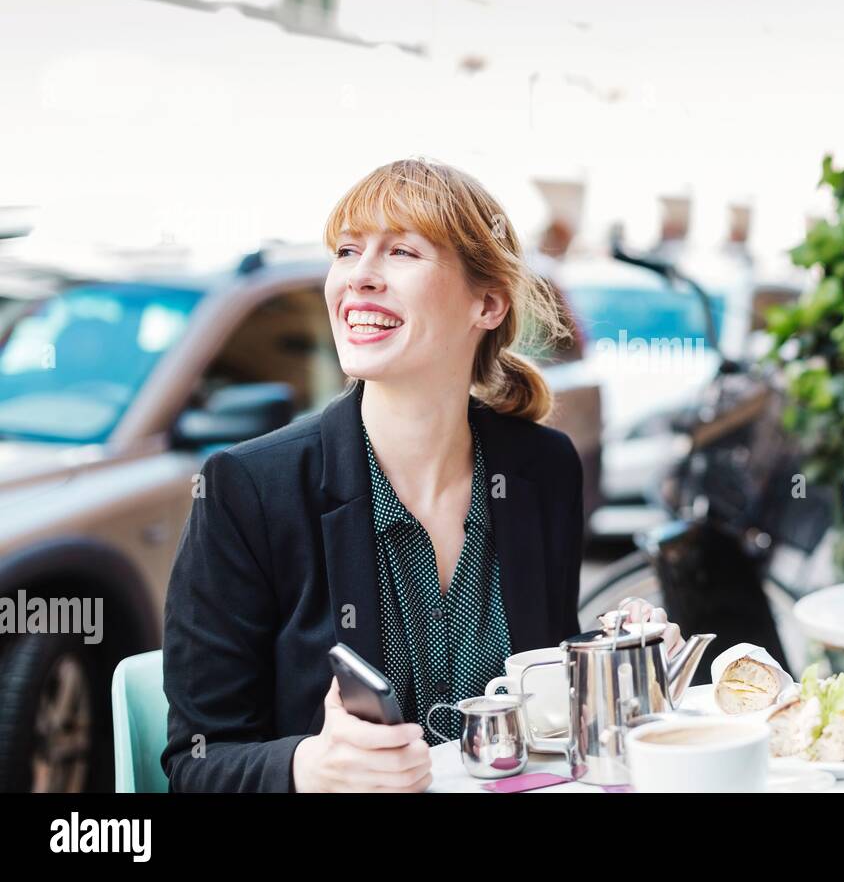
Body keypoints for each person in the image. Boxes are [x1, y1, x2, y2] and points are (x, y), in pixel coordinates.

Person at [162, 158, 680, 792]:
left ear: (486, 302)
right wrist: (306, 768)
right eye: (347, 250)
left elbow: (536, 681)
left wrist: (610, 656)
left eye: (401, 251)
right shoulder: (247, 490)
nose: (359, 277)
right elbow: (195, 762)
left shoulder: (543, 469)